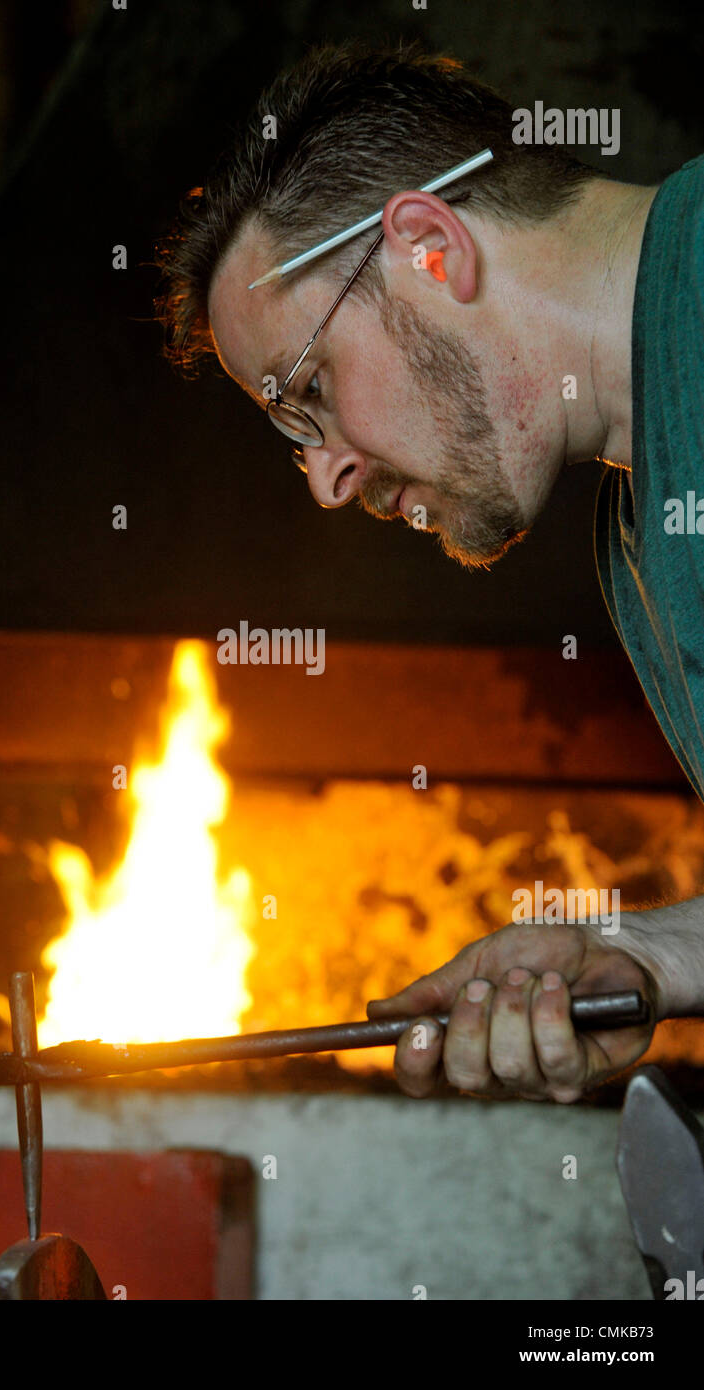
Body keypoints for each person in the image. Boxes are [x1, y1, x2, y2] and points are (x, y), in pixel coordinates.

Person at [155, 39, 704, 1102]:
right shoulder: (633, 524)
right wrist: (651, 953)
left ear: (427, 247)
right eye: (290, 430)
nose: (325, 478)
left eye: (309, 387)